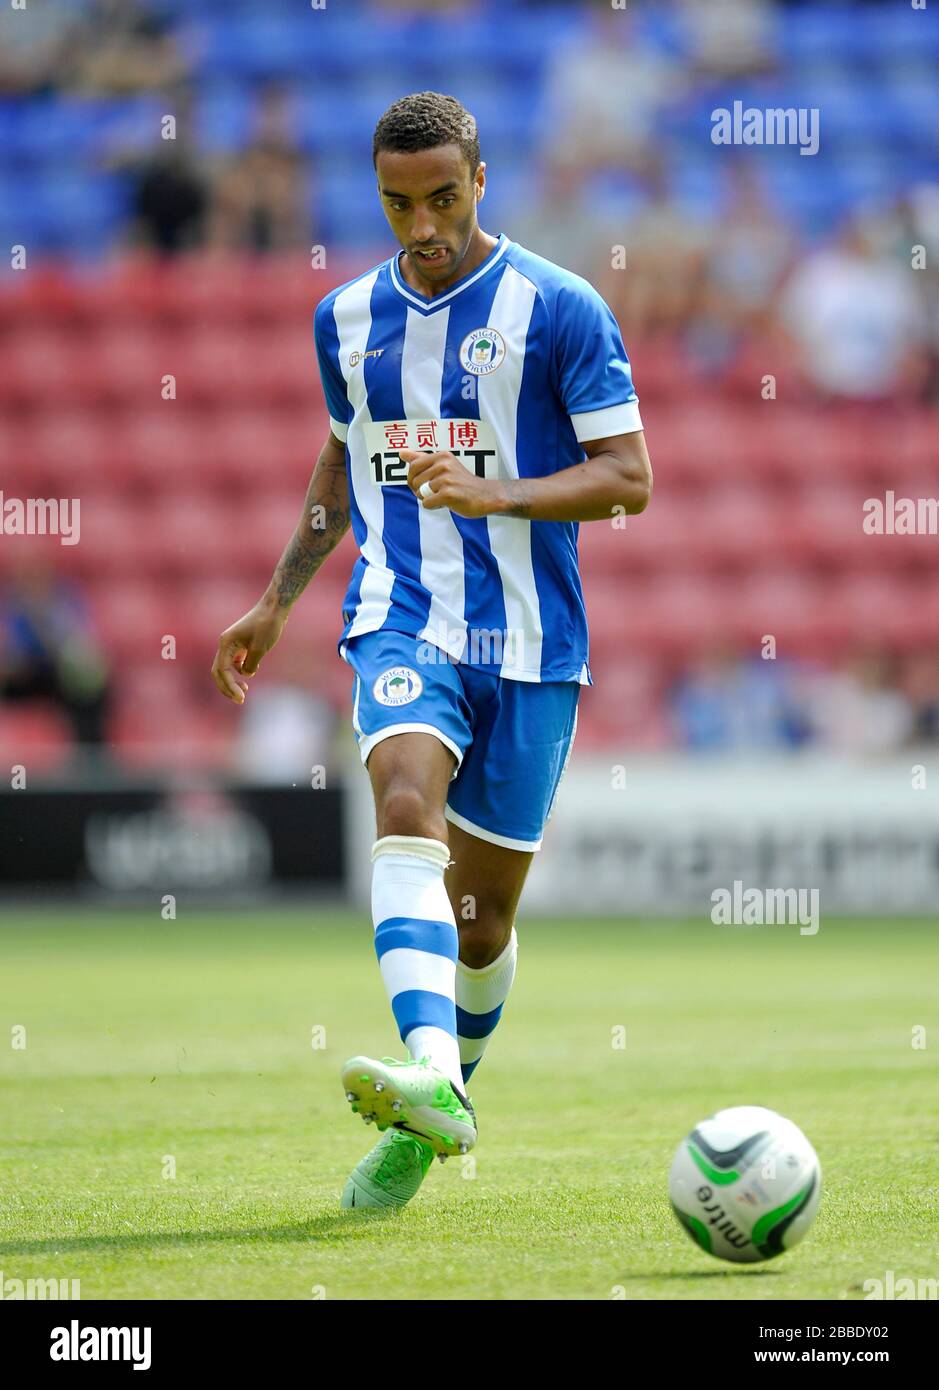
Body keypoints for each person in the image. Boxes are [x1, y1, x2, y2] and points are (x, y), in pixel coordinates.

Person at [210, 91, 652, 1209]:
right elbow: (342, 453)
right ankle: (434, 1079)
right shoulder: (345, 319)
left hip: (534, 644)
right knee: (404, 799)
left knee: (482, 917)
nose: (424, 226)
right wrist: (277, 598)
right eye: (400, 203)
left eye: (444, 198)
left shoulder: (561, 307)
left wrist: (493, 489)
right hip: (401, 611)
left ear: (482, 183)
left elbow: (630, 479)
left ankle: (427, 1117)